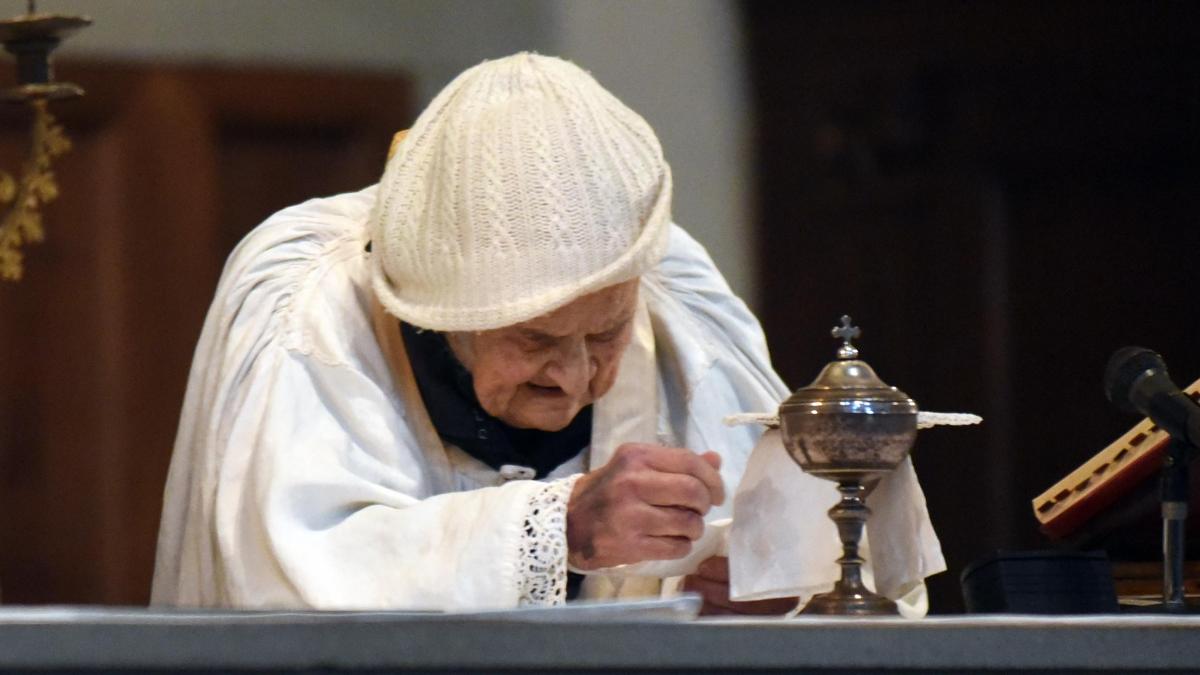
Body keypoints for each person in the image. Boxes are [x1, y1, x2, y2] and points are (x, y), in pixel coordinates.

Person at [150, 53, 817, 614]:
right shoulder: (310, 300)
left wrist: (760, 598)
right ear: (441, 315)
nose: (580, 377)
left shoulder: (672, 285)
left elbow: (809, 553)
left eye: (608, 331)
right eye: (536, 341)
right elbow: (291, 580)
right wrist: (559, 528)